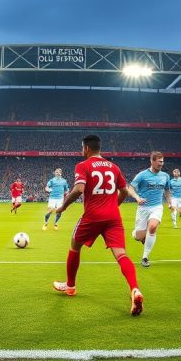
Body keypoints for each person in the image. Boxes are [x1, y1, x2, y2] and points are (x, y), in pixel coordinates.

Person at [52, 135, 144, 316]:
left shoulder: (83, 165)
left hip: (92, 217)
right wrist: (112, 206)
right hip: (113, 218)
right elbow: (124, 191)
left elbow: (78, 189)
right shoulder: (114, 167)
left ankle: (70, 286)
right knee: (121, 254)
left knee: (74, 246)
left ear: (86, 148)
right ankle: (135, 289)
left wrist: (63, 206)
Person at [127, 152, 171, 268]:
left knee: (152, 227)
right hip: (143, 208)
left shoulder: (165, 176)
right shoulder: (142, 175)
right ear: (152, 161)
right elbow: (130, 188)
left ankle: (145, 257)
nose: (161, 164)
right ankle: (137, 234)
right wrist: (137, 198)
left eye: (162, 161)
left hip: (157, 207)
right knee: (139, 236)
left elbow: (167, 190)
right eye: (159, 161)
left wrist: (169, 203)